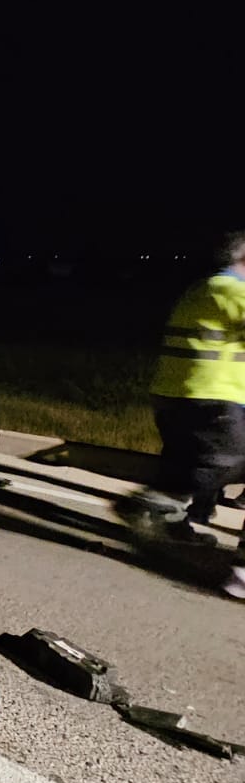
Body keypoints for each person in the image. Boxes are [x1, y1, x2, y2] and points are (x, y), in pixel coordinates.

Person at [116, 230, 245, 597]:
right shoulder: (232, 291)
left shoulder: (202, 288)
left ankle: (175, 523)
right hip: (210, 395)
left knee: (184, 460)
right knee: (225, 459)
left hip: (177, 393)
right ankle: (148, 505)